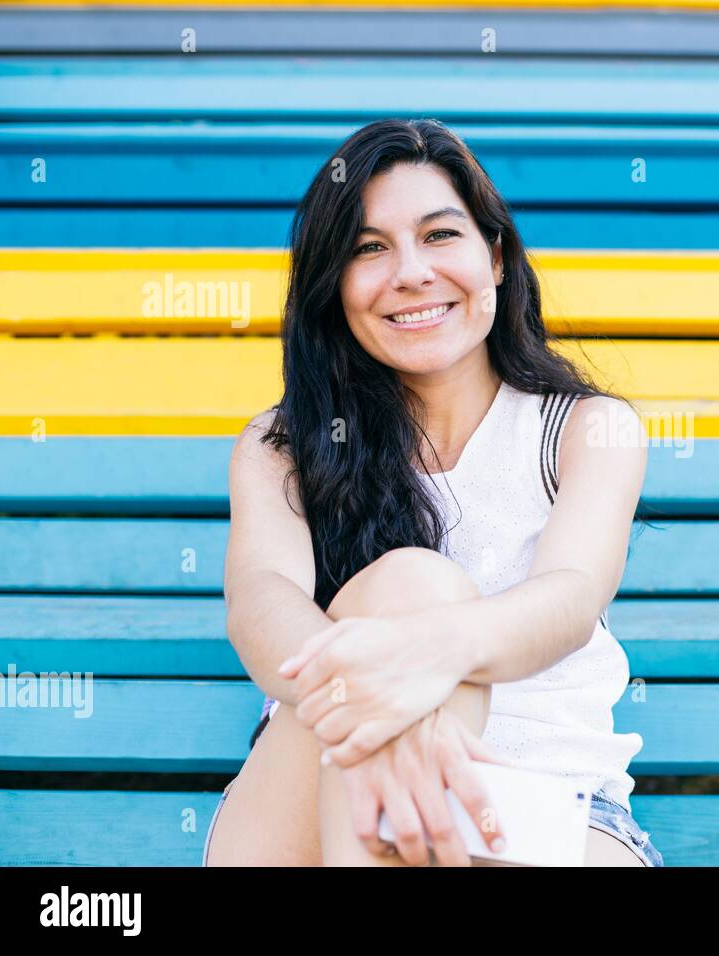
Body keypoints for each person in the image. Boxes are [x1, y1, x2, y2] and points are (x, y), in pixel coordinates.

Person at [201, 118, 662, 867]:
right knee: (414, 580)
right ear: (332, 284)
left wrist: (421, 663)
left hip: (548, 801)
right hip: (311, 798)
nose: (410, 273)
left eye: (440, 236)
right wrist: (380, 704)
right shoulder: (279, 446)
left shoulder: (586, 430)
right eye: (368, 248)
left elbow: (571, 597)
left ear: (499, 256)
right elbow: (259, 605)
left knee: (422, 596)